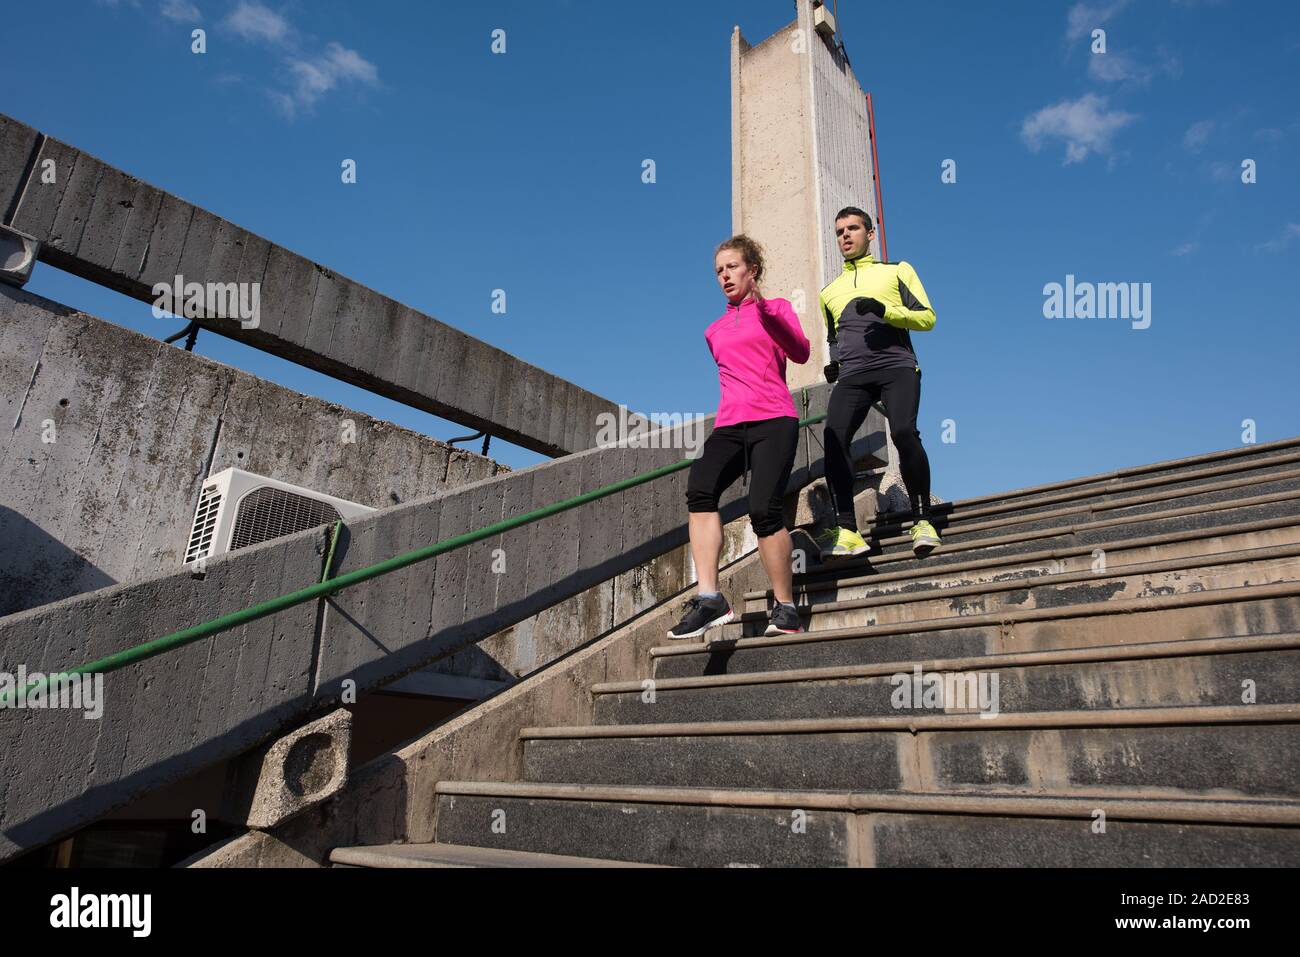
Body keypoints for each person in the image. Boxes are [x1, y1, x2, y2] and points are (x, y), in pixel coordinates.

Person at [668, 235, 812, 640]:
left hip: (774, 419)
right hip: (731, 425)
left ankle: (786, 608)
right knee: (700, 489)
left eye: (732, 267)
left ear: (752, 270)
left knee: (764, 508)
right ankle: (710, 597)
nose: (724, 275)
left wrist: (766, 310)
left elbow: (800, 352)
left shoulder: (777, 309)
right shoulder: (713, 330)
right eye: (718, 270)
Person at [816, 206, 941, 560]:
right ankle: (848, 530)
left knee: (903, 432)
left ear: (870, 234)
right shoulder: (830, 292)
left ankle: (922, 520)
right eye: (840, 231)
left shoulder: (897, 270)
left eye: (853, 229)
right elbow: (834, 336)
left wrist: (886, 311)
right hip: (854, 375)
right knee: (834, 436)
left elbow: (927, 318)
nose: (845, 236)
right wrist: (835, 362)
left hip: (896, 366)